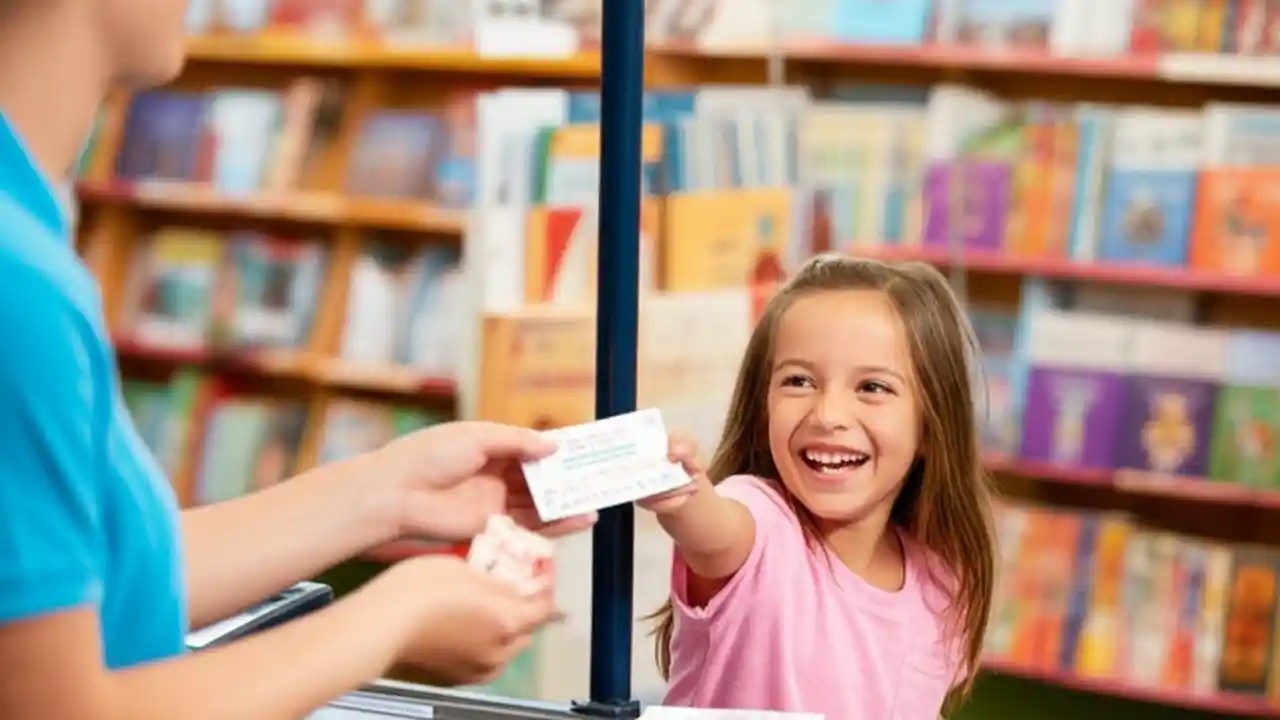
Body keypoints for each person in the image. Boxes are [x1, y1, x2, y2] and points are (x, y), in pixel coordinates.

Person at [0, 1, 595, 719]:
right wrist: (391, 618)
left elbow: (88, 580)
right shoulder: (20, 284)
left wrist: (386, 492)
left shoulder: (26, 238)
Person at [639, 254, 996, 719]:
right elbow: (714, 530)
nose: (828, 415)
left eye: (872, 387)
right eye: (799, 381)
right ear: (763, 403)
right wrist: (684, 494)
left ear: (932, 425)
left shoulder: (941, 586)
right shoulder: (760, 521)